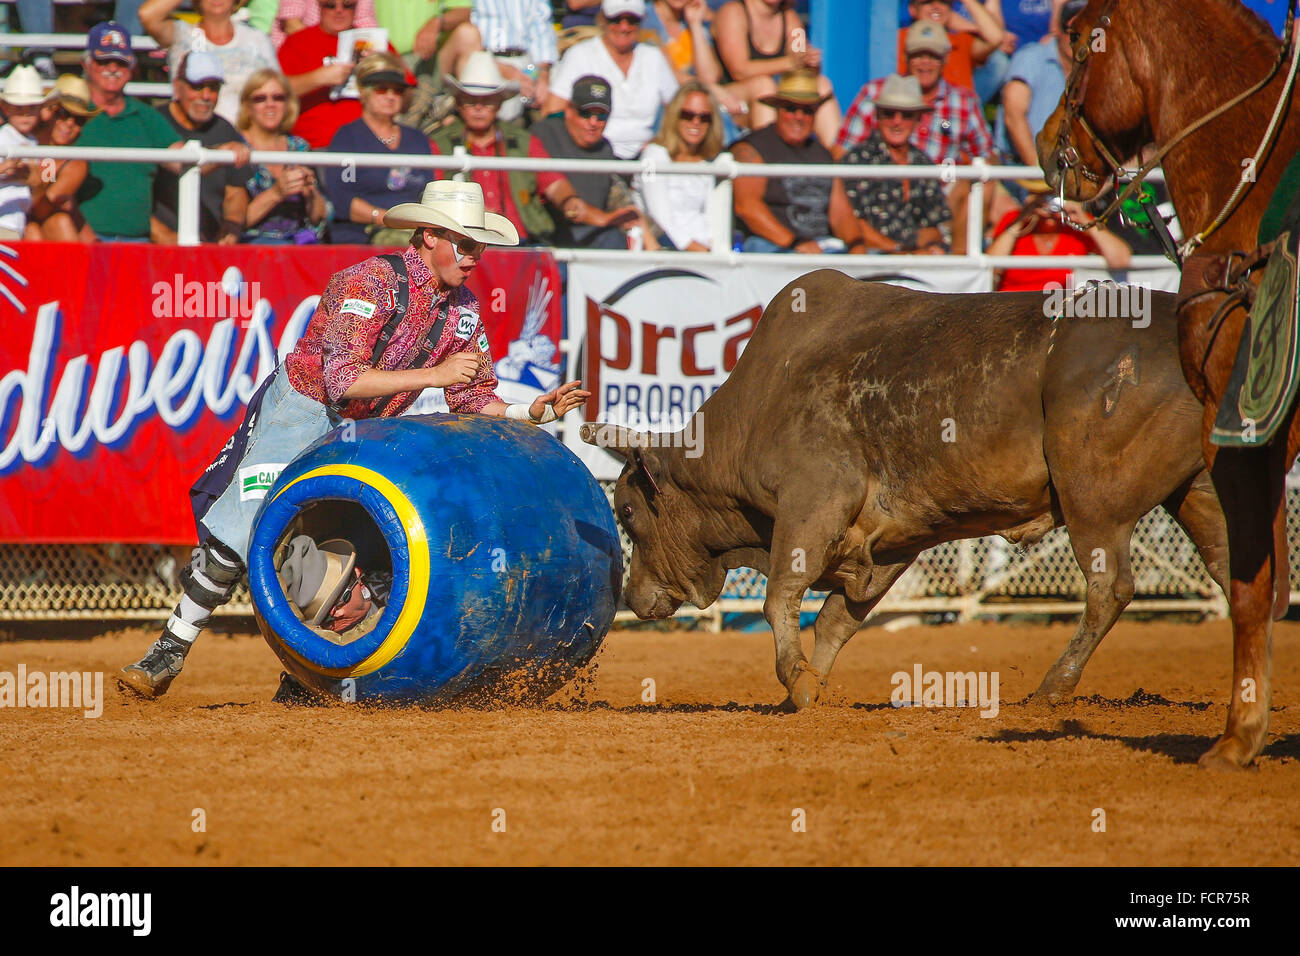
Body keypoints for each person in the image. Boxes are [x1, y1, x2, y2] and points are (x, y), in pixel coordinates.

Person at [117, 180, 591, 699]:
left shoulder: (464, 312)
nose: (476, 257)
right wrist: (435, 377)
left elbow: (473, 398)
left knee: (352, 542)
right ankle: (167, 651)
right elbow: (343, 380)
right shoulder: (368, 283)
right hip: (302, 409)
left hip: (362, 427)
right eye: (466, 244)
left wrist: (532, 410)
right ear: (429, 235)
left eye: (480, 246)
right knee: (242, 527)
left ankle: (308, 674)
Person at [839, 21, 1006, 253]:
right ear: (906, 57)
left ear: (946, 59)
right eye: (918, 55)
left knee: (984, 189)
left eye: (933, 56)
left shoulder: (963, 102)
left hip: (942, 191)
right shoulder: (875, 93)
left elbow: (987, 157)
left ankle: (959, 274)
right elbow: (842, 152)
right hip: (877, 188)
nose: (925, 63)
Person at [431, 52, 574, 245]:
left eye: (487, 101)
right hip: (461, 243)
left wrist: (570, 201)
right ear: (459, 103)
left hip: (522, 242)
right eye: (471, 100)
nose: (479, 107)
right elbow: (434, 198)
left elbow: (554, 184)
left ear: (499, 104)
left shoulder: (525, 141)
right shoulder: (439, 143)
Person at [731, 69, 864, 254]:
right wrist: (795, 243)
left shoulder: (822, 154)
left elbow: (841, 213)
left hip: (819, 246)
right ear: (778, 109)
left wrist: (857, 247)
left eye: (807, 110)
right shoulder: (752, 148)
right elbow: (747, 207)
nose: (799, 117)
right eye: (791, 109)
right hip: (771, 245)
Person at [73, 22, 183, 243]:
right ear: (86, 64)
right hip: (80, 243)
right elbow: (46, 164)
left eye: (121, 62)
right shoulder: (68, 113)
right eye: (103, 60)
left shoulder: (147, 117)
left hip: (137, 244)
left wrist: (223, 151)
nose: (113, 68)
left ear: (132, 67)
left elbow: (183, 158)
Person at [546, 0, 679, 160]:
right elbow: (552, 111)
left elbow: (678, 107)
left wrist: (660, 140)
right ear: (603, 20)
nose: (624, 27)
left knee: (656, 164)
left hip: (646, 157)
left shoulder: (653, 57)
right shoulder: (580, 54)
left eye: (632, 20)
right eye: (616, 19)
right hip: (594, 152)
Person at [323, 53, 433, 245]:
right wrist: (385, 219)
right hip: (360, 234)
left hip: (414, 234)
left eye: (397, 90)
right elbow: (342, 199)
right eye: (381, 89)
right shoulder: (348, 137)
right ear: (364, 92)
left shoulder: (418, 140)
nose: (390, 96)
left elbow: (428, 194)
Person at [839, 74, 949, 255]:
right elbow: (850, 223)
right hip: (871, 259)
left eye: (906, 115)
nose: (897, 122)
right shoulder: (856, 160)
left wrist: (927, 249)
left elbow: (931, 224)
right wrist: (898, 251)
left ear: (918, 118)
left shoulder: (923, 163)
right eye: (889, 114)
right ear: (878, 116)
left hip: (913, 259)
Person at [531, 75, 645, 249]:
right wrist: (605, 219)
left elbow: (619, 199)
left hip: (593, 235)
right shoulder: (543, 135)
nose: (593, 122)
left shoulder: (605, 148)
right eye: (585, 113)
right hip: (547, 235)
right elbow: (567, 204)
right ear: (569, 109)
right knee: (611, 238)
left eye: (601, 116)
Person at [711, 0, 842, 150]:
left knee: (821, 85)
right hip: (730, 100)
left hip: (774, 94)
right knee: (764, 87)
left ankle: (838, 159)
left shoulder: (789, 17)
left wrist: (810, 63)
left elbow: (800, 57)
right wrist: (789, 63)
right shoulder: (733, 12)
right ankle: (769, 158)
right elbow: (739, 70)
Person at [152, 52, 252, 245]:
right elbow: (137, 193)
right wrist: (163, 235)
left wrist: (232, 227)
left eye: (213, 88)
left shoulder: (225, 130)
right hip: (157, 248)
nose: (206, 96)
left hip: (210, 248)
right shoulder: (154, 122)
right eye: (197, 87)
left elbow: (236, 192)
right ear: (176, 86)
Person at [278, 0, 407, 148]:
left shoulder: (376, 42)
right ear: (319, 5)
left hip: (372, 145)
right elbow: (278, 92)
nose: (339, 10)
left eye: (347, 5)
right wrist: (319, 78)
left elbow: (407, 95)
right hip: (317, 146)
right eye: (330, 5)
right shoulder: (297, 42)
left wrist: (381, 73)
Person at [140, 0, 278, 126]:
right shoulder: (183, 35)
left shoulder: (257, 40)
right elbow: (147, 15)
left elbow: (278, 88)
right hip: (193, 133)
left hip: (246, 138)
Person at [234, 69, 330, 244]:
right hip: (253, 243)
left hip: (302, 241)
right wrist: (276, 193)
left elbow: (319, 217)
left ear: (288, 104)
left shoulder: (300, 147)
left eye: (278, 97)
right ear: (247, 107)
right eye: (260, 98)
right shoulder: (235, 147)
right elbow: (233, 222)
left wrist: (310, 194)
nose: (270, 104)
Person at [987, 187, 1132, 291]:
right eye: (1044, 196)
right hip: (1014, 306)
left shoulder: (1078, 224)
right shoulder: (1015, 220)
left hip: (1062, 310)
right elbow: (991, 267)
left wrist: (1083, 218)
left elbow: (1121, 259)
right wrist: (1022, 219)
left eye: (1055, 197)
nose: (1050, 204)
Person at [996, 0, 1085, 169]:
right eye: (1071, 31)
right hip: (1021, 168)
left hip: (1075, 173)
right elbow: (1013, 115)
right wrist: (1038, 171)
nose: (1077, 39)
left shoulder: (1097, 67)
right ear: (1057, 31)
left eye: (1085, 31)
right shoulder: (1031, 58)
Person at [638, 80, 723, 251]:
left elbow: (713, 218)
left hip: (707, 250)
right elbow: (660, 216)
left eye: (704, 117)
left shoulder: (712, 162)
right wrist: (696, 249)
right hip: (668, 247)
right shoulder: (653, 156)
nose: (696, 122)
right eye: (688, 114)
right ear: (675, 116)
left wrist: (714, 250)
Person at [27, 75, 103, 242]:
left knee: (53, 222)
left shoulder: (75, 164)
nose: (69, 123)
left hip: (80, 243)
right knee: (33, 229)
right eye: (64, 113)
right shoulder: (22, 137)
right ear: (49, 112)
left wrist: (35, 184)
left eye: (79, 119)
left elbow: (41, 211)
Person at [470, 0, 559, 121]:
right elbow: (465, 37)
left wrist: (544, 74)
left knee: (558, 93)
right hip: (484, 59)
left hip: (527, 58)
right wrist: (503, 70)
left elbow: (541, 26)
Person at [896, 0, 1002, 97]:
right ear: (912, 9)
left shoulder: (961, 41)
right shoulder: (898, 38)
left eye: (944, 2)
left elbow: (995, 38)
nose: (936, 6)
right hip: (909, 111)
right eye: (927, 2)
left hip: (951, 112)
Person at [0, 65, 44, 242]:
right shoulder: (3, 136)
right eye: (19, 108)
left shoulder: (35, 142)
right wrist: (5, 168)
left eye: (32, 108)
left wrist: (34, 174)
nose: (25, 114)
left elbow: (46, 176)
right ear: (7, 108)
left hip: (17, 220)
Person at [271, 0, 378, 50]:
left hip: (341, 50)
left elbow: (365, 22)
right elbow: (291, 24)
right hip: (299, 49)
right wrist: (325, 50)